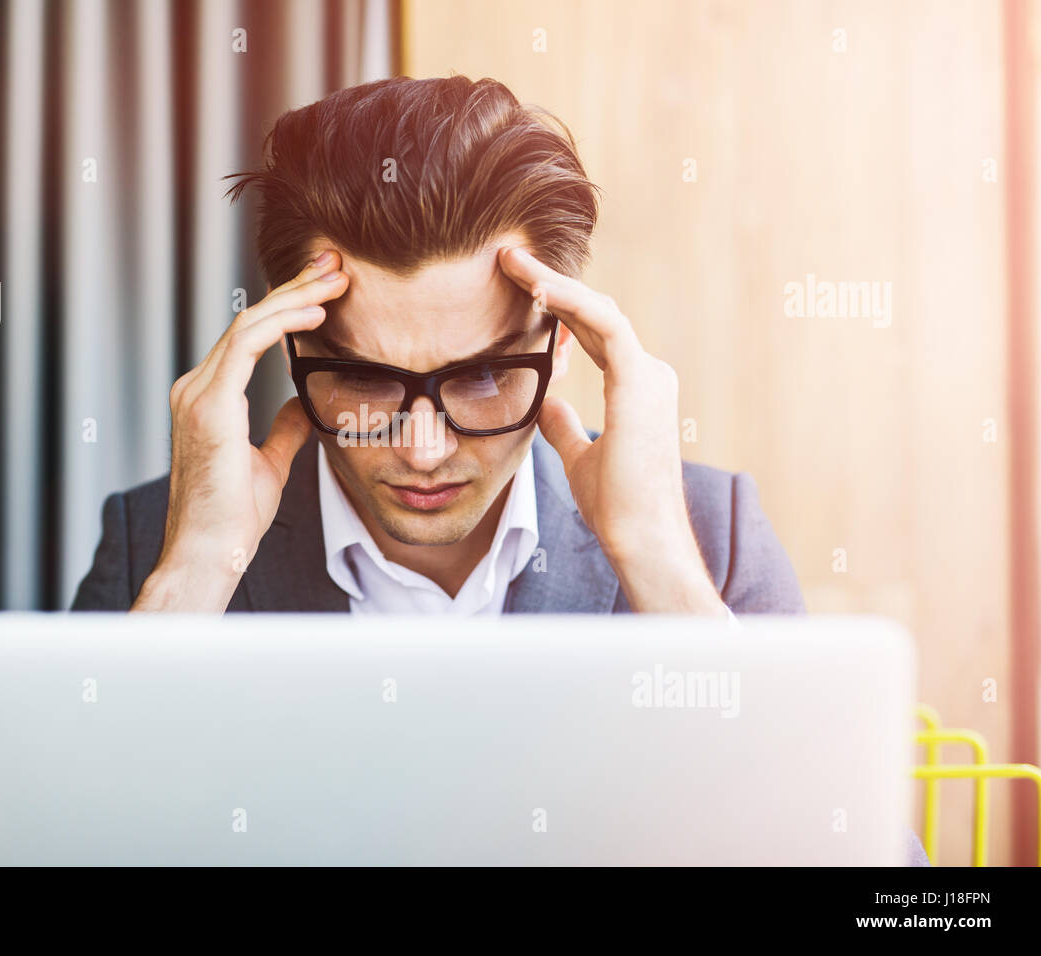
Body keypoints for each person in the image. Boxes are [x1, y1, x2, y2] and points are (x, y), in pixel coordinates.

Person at [70, 75, 927, 865]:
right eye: (365, 377)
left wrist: (658, 565)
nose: (423, 446)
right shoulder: (159, 543)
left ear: (560, 344)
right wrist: (193, 577)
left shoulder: (711, 537)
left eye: (480, 377)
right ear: (290, 350)